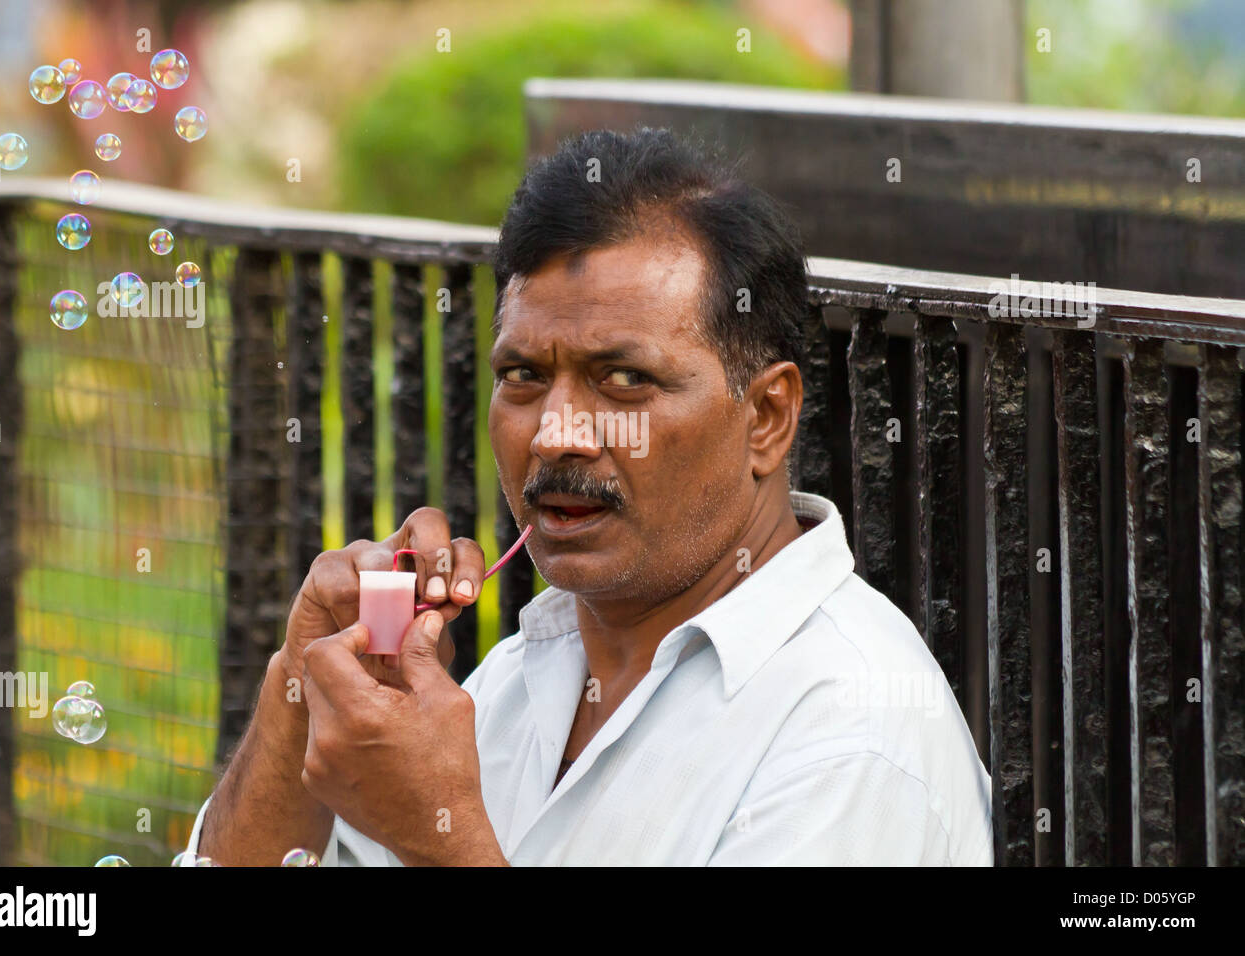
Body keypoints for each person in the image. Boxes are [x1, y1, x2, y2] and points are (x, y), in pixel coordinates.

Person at [184, 126, 993, 866]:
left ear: (766, 417)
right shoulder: (516, 681)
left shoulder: (849, 737)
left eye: (624, 379)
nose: (555, 435)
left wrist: (440, 835)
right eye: (524, 377)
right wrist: (298, 684)